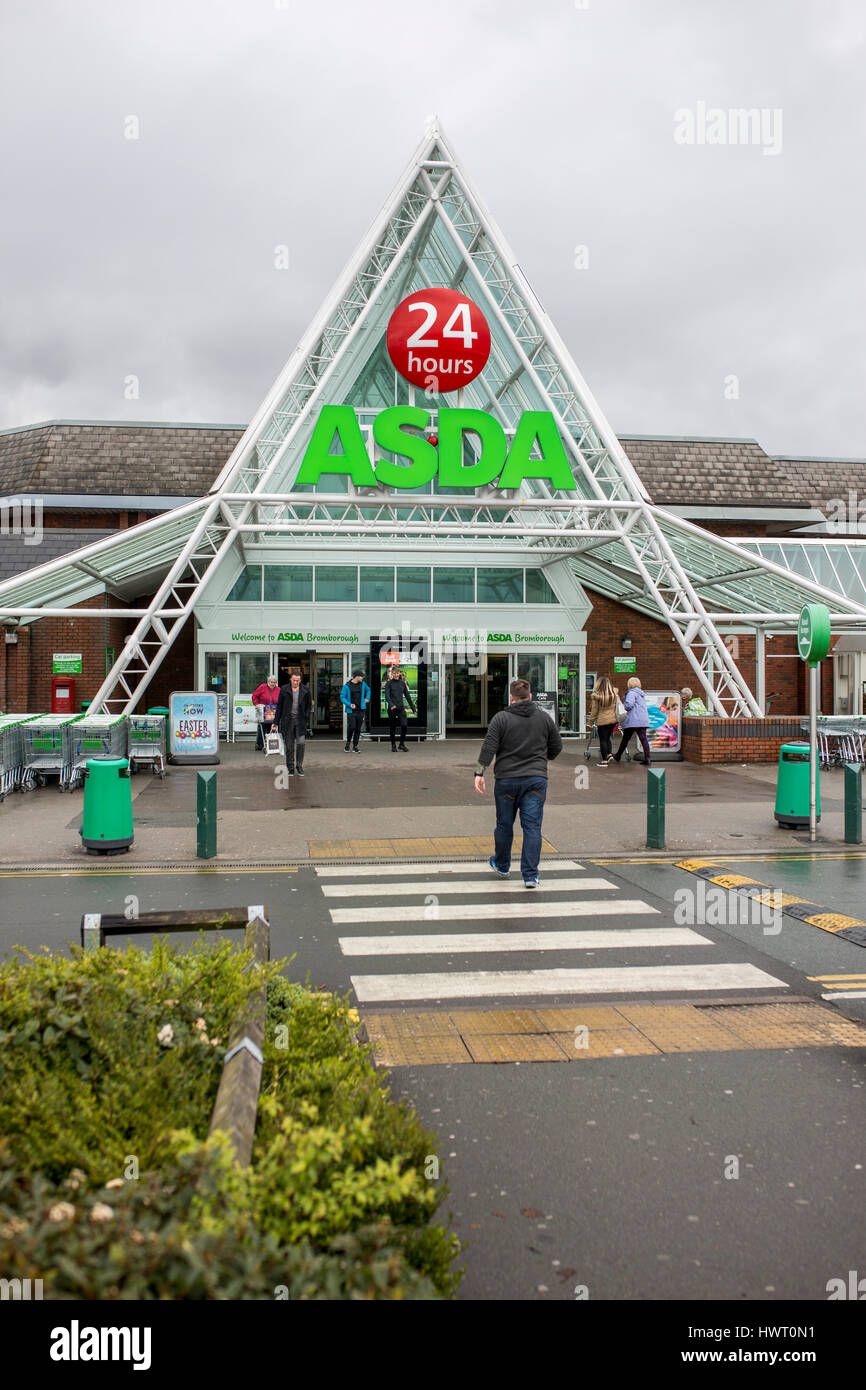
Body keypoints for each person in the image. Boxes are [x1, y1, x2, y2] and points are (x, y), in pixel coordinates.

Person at [474, 677, 563, 889]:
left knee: (504, 825)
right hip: (535, 780)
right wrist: (542, 760)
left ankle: (503, 865)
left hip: (506, 780)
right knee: (532, 827)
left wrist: (479, 773)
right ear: (530, 696)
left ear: (511, 698)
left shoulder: (501, 718)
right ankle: (530, 876)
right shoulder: (543, 718)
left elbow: (489, 747)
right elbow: (557, 746)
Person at [274, 670, 311, 777]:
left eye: (298, 680)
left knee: (301, 743)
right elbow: (279, 707)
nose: (296, 682)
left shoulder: (306, 690)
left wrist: (306, 716)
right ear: (290, 679)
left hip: (300, 721)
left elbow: (309, 705)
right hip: (287, 721)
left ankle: (299, 766)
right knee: (289, 746)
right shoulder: (284, 689)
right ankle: (290, 767)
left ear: (301, 680)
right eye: (294, 680)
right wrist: (275, 722)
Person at [612, 676, 652, 766]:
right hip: (642, 720)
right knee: (643, 739)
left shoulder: (632, 693)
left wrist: (623, 705)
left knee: (625, 739)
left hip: (633, 720)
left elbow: (629, 705)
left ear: (630, 684)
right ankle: (647, 758)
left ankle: (618, 756)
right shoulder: (641, 694)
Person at [587, 674, 620, 767]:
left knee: (603, 740)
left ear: (598, 685)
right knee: (607, 738)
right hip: (613, 720)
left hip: (603, 721)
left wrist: (590, 722)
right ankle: (609, 755)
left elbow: (594, 711)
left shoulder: (596, 696)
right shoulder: (614, 694)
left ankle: (604, 761)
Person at [383, 663, 416, 752]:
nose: (396, 675)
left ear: (399, 674)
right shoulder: (389, 683)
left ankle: (401, 744)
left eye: (397, 673)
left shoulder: (402, 683)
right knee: (393, 727)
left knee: (404, 725)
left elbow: (408, 696)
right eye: (394, 673)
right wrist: (391, 705)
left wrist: (413, 709)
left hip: (401, 708)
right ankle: (393, 745)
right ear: (392, 674)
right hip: (392, 709)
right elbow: (387, 696)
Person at [340, 669, 370, 752]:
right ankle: (348, 743)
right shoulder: (347, 686)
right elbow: (342, 697)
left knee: (358, 728)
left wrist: (367, 698)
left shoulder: (363, 684)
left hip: (361, 710)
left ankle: (355, 746)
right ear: (357, 676)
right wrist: (349, 704)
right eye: (361, 676)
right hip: (351, 711)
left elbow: (368, 690)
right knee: (352, 727)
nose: (363, 678)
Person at [252, 674, 279, 752]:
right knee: (262, 727)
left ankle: (271, 744)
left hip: (273, 711)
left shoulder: (278, 689)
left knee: (272, 727)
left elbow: (281, 700)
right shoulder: (262, 687)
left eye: (274, 682)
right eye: (271, 682)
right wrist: (256, 704)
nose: (273, 684)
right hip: (263, 710)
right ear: (268, 682)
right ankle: (260, 744)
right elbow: (254, 695)